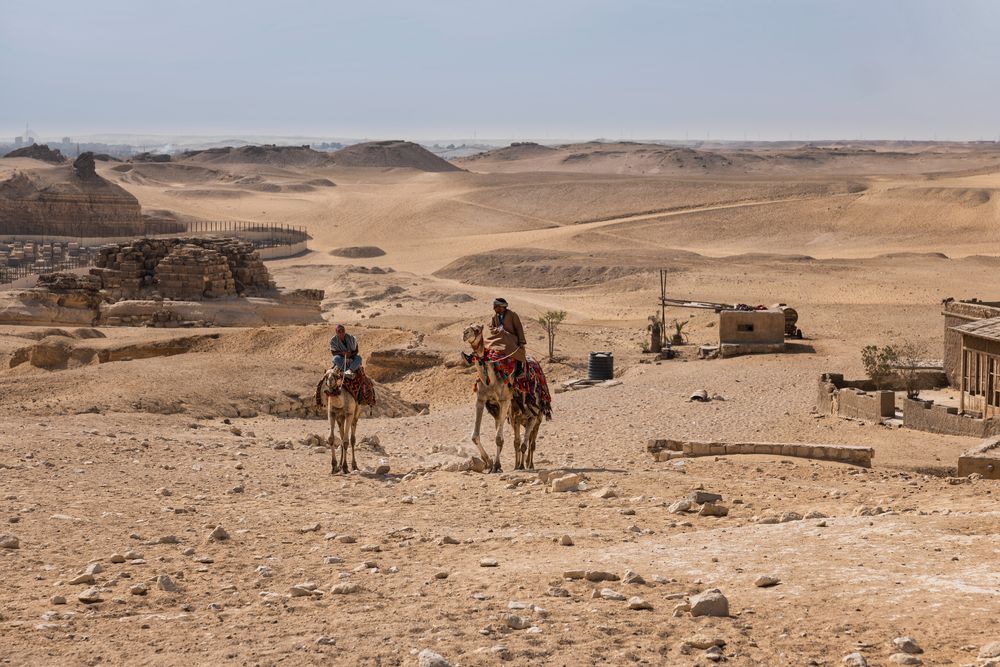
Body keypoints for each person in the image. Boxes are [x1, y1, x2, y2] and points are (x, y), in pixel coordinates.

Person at [487, 297, 527, 377]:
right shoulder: (494, 317)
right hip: (500, 339)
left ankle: (519, 370)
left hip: (512, 339)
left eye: (495, 306)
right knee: (487, 345)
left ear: (501, 307)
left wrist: (521, 341)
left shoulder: (512, 315)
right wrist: (497, 330)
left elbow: (518, 328)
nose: (494, 308)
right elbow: (492, 329)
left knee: (518, 352)